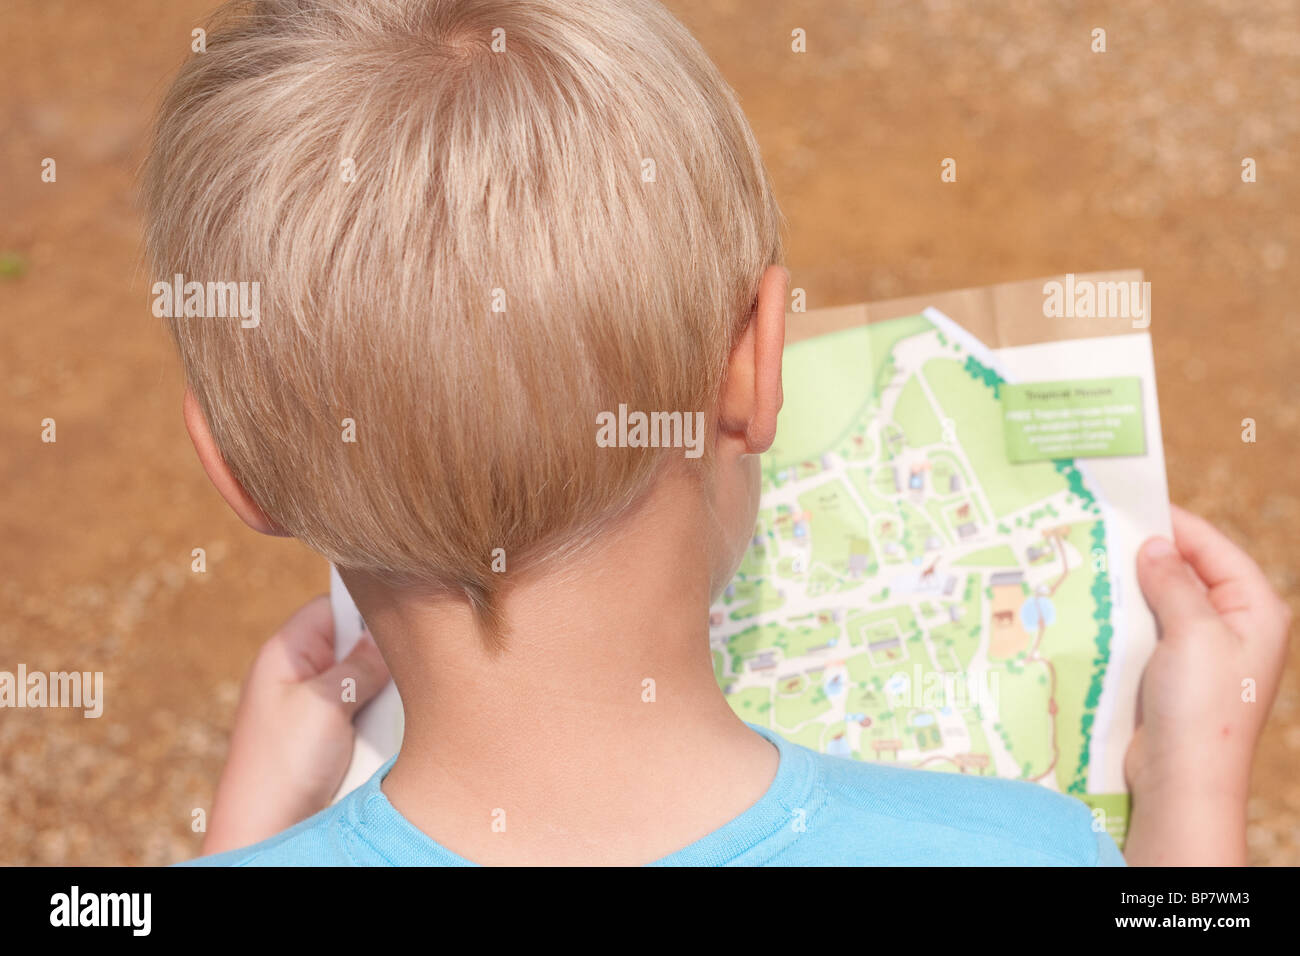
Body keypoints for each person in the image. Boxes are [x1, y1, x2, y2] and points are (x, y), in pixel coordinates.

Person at [143, 0, 1290, 866]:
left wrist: (247, 838)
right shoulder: (1030, 852)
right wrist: (1187, 800)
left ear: (238, 471)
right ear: (754, 363)